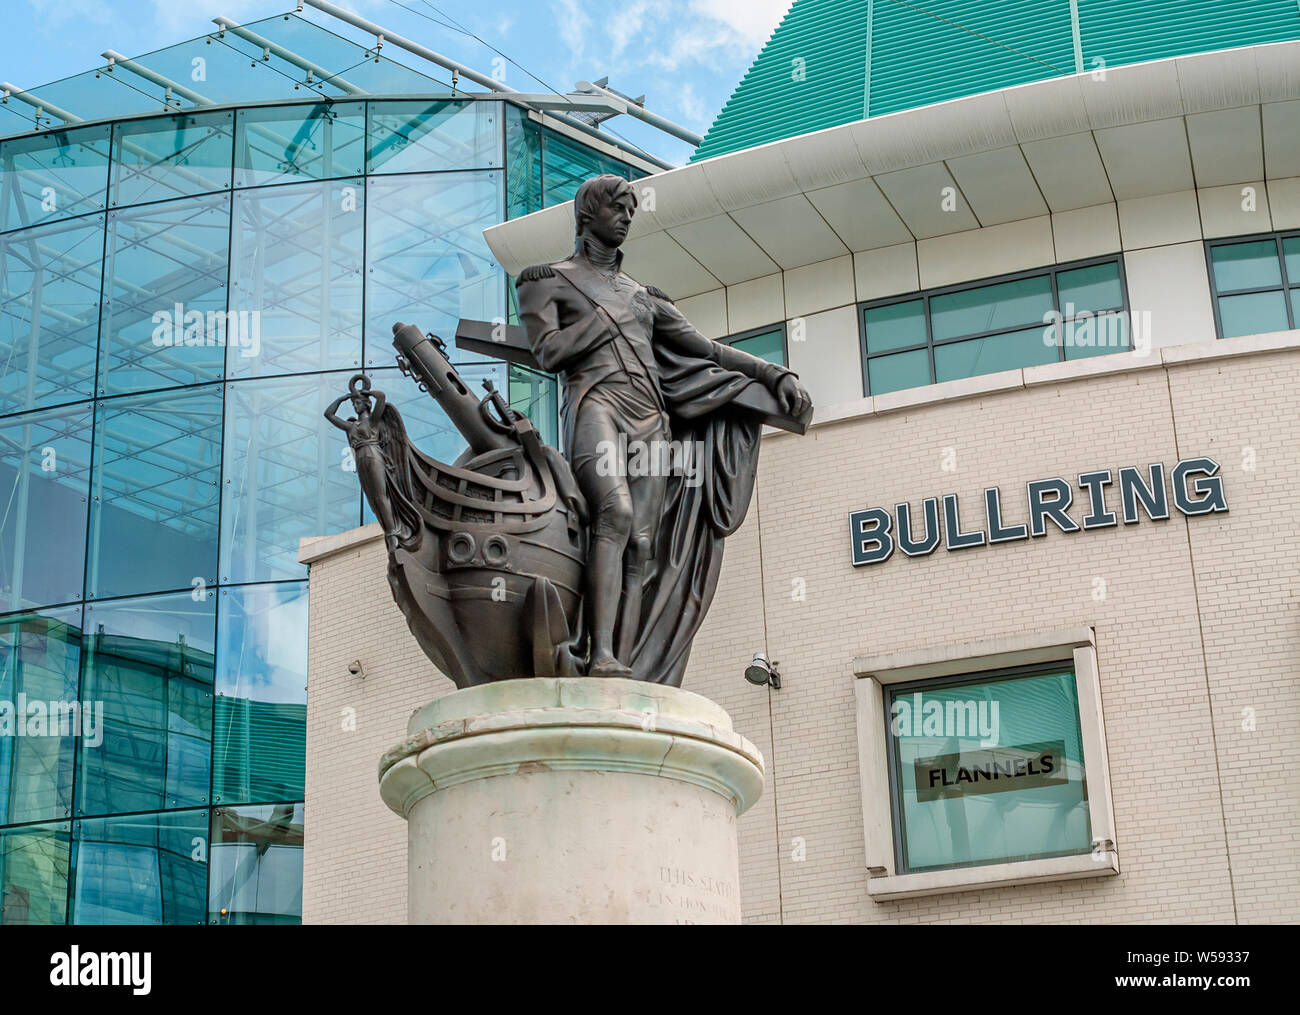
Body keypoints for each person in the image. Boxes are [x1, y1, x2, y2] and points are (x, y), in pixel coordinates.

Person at [518, 174, 810, 679]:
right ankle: (599, 652)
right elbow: (548, 352)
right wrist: (608, 320)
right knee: (615, 512)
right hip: (597, 404)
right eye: (618, 208)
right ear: (588, 215)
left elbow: (707, 349)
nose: (628, 217)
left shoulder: (645, 296)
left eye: (632, 209)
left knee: (644, 543)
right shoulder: (545, 278)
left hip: (651, 419)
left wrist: (772, 371)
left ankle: (623, 660)